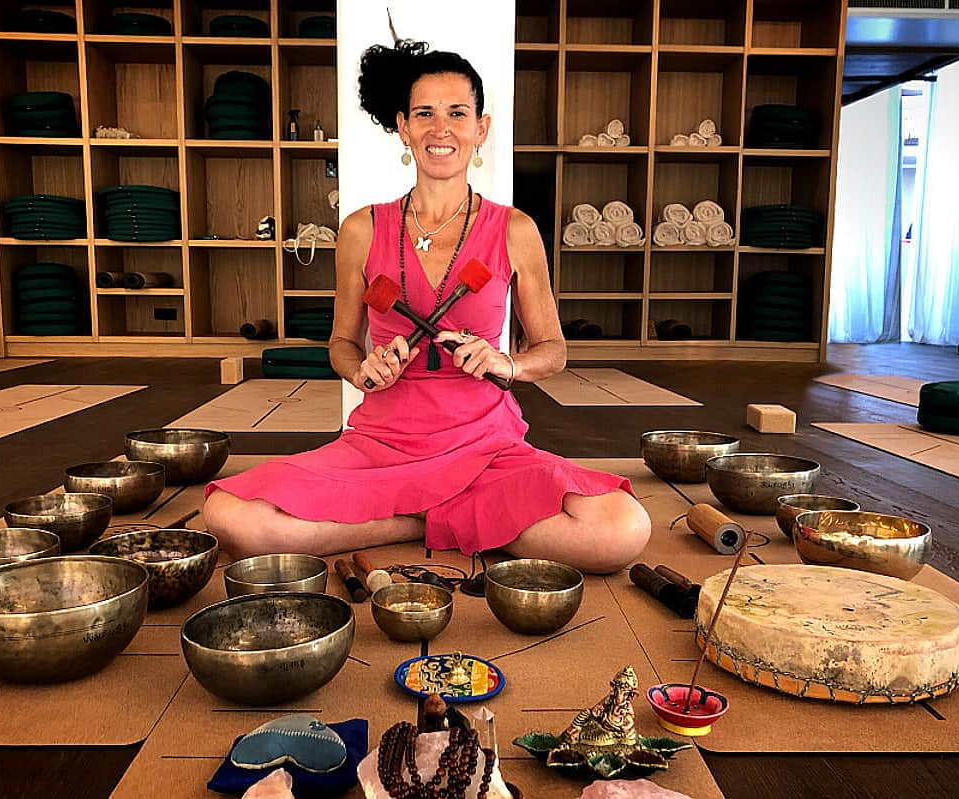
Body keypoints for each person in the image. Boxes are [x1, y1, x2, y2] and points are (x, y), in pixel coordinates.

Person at [202, 40, 650, 574]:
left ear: (480, 128)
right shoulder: (361, 230)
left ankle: (419, 515)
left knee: (621, 528)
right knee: (232, 516)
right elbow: (341, 347)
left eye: (457, 113)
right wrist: (365, 370)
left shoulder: (514, 230)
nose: (442, 129)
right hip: (381, 444)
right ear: (403, 127)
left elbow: (552, 350)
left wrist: (506, 362)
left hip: (485, 445)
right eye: (424, 114)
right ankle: (436, 518)